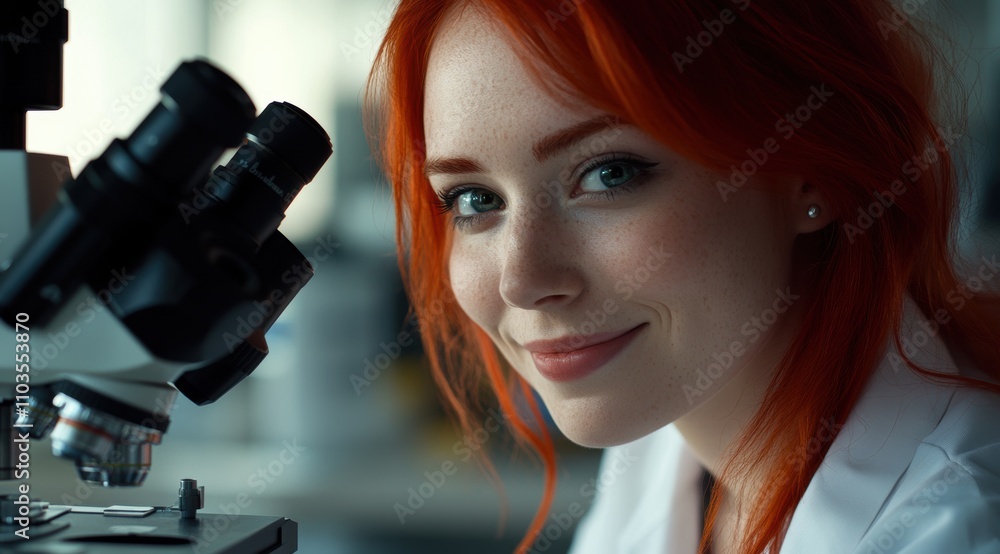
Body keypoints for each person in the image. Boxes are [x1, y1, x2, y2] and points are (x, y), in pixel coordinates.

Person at [364, 1, 1000, 552]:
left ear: (814, 173)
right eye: (474, 200)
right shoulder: (671, 436)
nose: (522, 282)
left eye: (609, 173)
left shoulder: (959, 530)